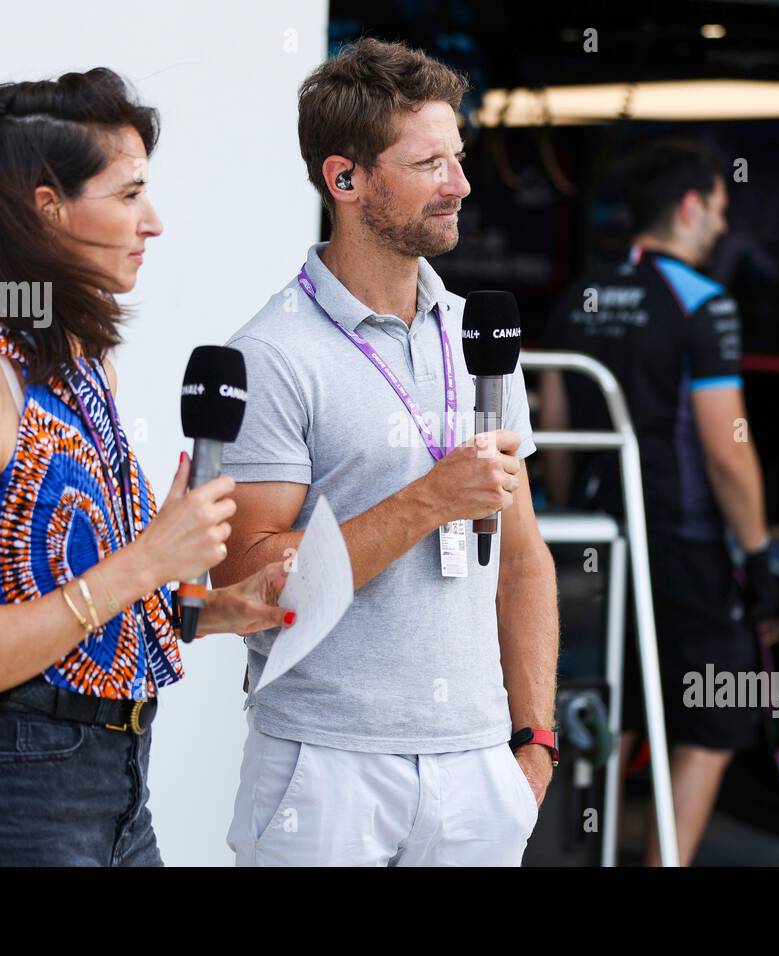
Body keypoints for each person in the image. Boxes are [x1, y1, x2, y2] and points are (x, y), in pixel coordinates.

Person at [0, 68, 292, 867]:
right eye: (130, 193)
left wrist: (215, 611)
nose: (155, 222)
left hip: (114, 788)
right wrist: (151, 558)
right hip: (7, 796)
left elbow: (67, 614)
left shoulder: (79, 371)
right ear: (49, 207)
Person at [215, 38, 560, 867]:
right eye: (429, 163)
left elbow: (522, 562)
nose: (461, 185)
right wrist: (429, 501)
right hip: (324, 770)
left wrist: (533, 744)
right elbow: (240, 579)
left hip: (479, 768)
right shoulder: (272, 354)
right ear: (346, 180)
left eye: (459, 157)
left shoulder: (480, 339)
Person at [541, 141, 776, 867]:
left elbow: (553, 431)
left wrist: (571, 516)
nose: (721, 226)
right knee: (719, 713)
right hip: (684, 545)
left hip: (596, 543)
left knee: (611, 708)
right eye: (720, 210)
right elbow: (727, 448)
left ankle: (598, 852)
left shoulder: (579, 296)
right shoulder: (704, 302)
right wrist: (759, 551)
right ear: (689, 207)